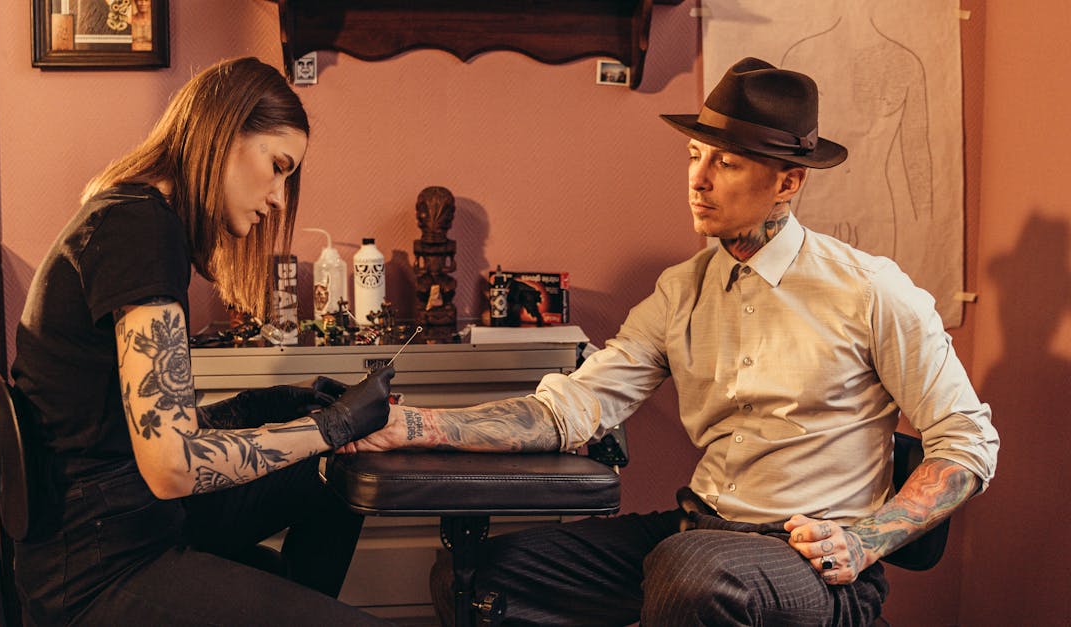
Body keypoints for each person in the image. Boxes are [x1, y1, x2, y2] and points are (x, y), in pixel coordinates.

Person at [345, 57, 999, 625]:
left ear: (788, 181)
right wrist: (420, 424)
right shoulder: (681, 291)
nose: (699, 177)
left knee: (692, 576)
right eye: (695, 155)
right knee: (490, 575)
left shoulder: (870, 290)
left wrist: (866, 539)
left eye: (728, 161)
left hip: (813, 559)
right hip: (700, 528)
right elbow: (574, 406)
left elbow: (967, 439)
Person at [9, 57, 394, 625]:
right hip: (99, 564)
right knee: (325, 451)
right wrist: (327, 426)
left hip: (133, 517)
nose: (281, 198)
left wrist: (263, 406)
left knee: (326, 477)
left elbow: (125, 425)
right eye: (278, 166)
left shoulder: (135, 218)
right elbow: (172, 465)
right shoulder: (139, 228)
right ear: (224, 133)